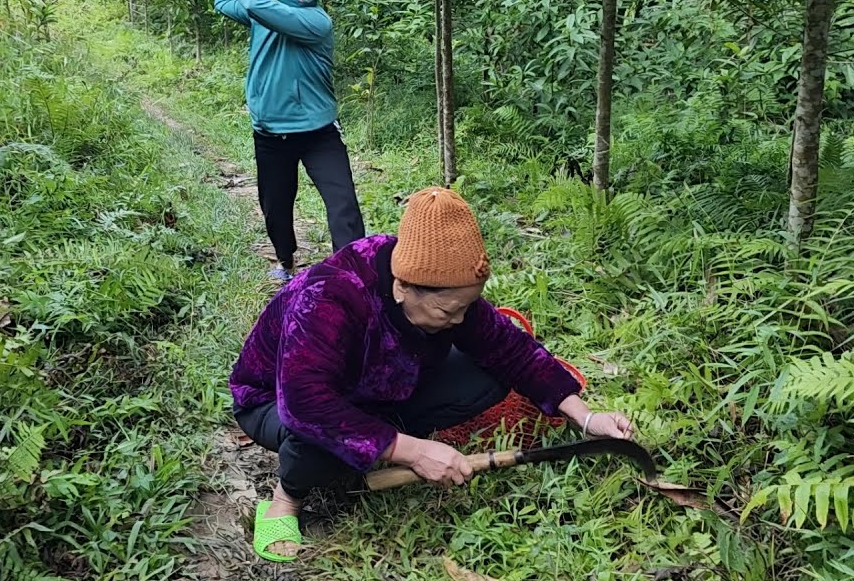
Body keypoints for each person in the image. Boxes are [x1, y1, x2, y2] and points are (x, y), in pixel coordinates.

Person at [229, 187, 636, 562]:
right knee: (320, 430)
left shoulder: (441, 283)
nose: (459, 319)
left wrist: (586, 417)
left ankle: (380, 439)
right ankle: (287, 497)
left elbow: (512, 350)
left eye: (466, 308)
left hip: (377, 387)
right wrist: (416, 452)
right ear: (403, 286)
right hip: (276, 401)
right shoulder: (330, 296)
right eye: (447, 312)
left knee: (489, 375)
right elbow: (305, 402)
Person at [205, 0, 366, 284]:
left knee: (343, 205)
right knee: (276, 207)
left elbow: (254, 3)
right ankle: (285, 261)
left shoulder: (316, 22)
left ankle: (355, 276)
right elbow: (226, 2)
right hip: (270, 133)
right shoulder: (263, 17)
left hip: (318, 132)